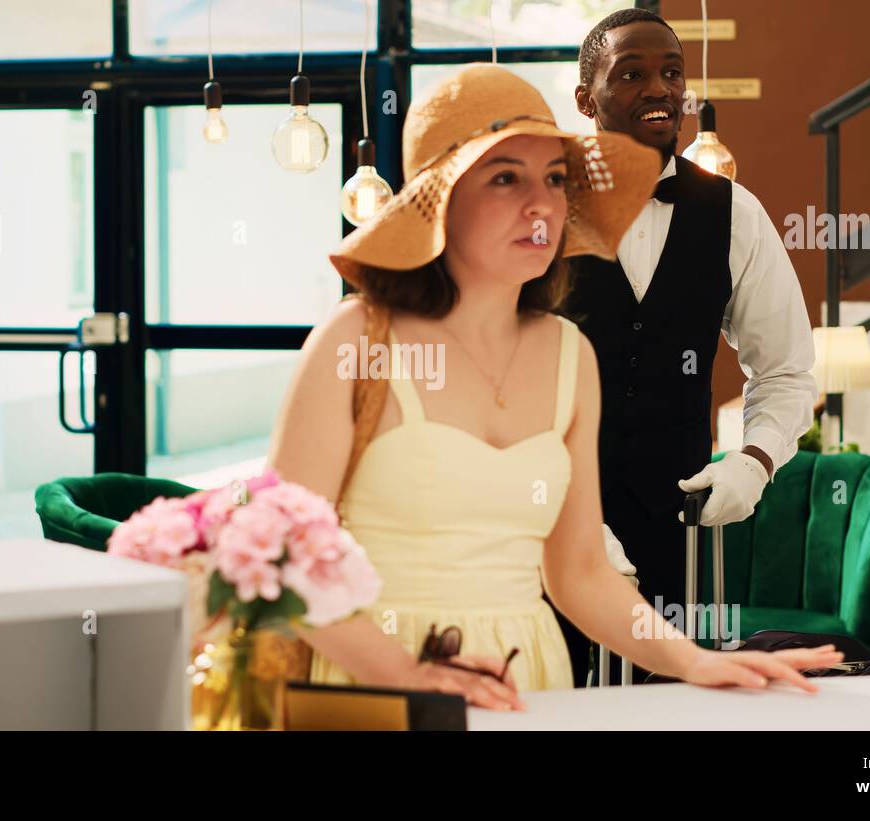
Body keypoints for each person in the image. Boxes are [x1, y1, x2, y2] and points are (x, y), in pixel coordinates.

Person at [266, 64, 840, 711]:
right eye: (506, 177)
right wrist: (409, 674)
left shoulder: (568, 354)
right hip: (372, 686)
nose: (541, 204)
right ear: (439, 199)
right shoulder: (356, 341)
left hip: (529, 682)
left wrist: (696, 660)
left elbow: (582, 574)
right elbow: (278, 559)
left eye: (556, 179)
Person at [557, 8, 818, 685]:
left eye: (672, 73)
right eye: (633, 74)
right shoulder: (541, 209)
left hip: (683, 530)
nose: (660, 89)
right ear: (586, 99)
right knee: (543, 705)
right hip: (548, 522)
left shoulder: (735, 213)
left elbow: (787, 369)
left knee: (677, 713)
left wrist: (753, 464)